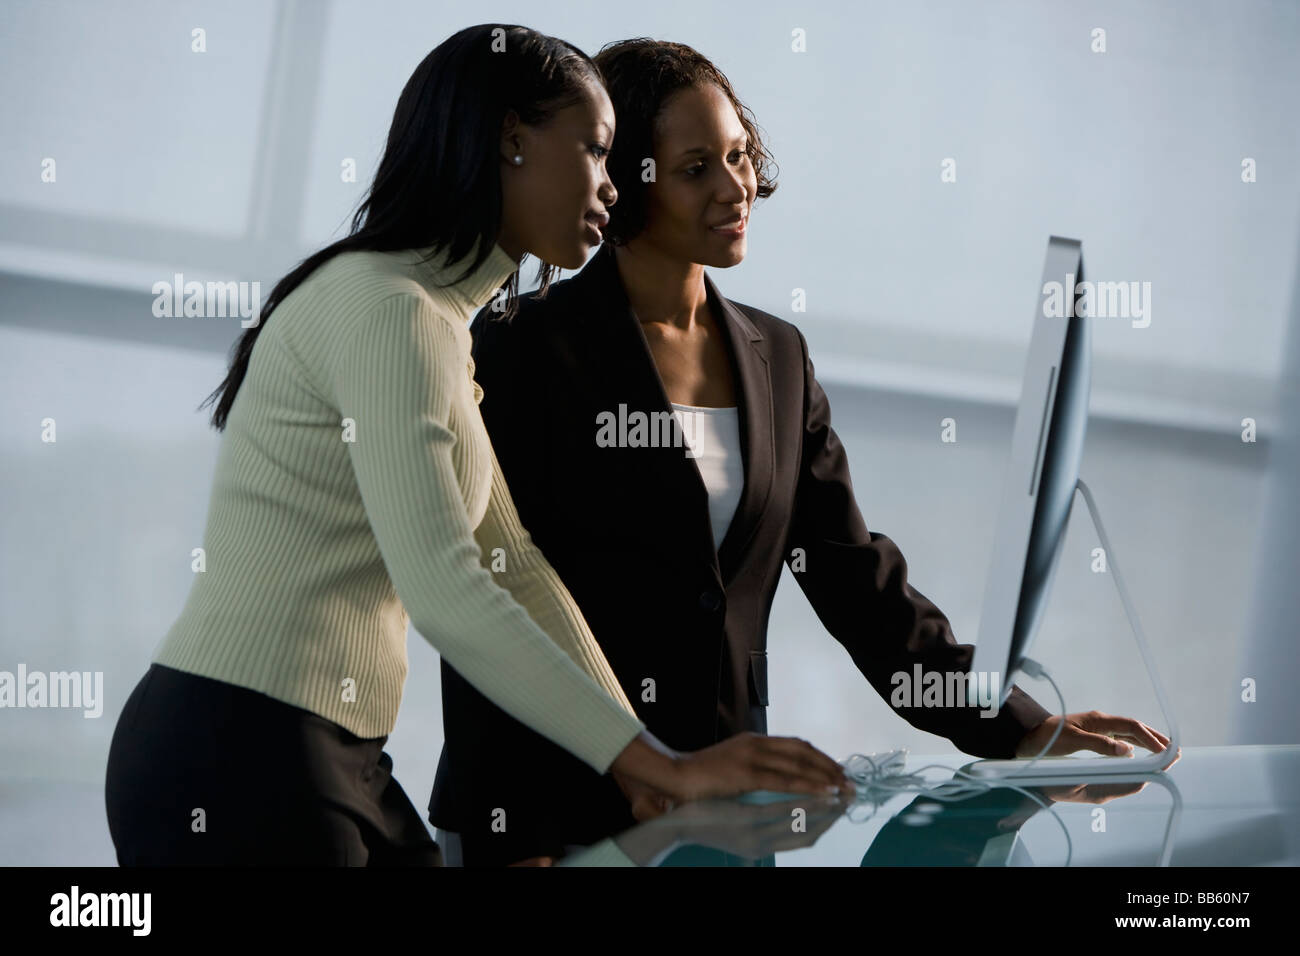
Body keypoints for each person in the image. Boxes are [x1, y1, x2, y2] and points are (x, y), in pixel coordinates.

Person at [103, 25, 851, 868]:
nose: (612, 187)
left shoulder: (438, 323)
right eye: (597, 151)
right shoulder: (393, 312)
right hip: (239, 751)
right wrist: (656, 764)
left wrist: (644, 766)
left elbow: (513, 565)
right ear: (512, 140)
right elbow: (447, 587)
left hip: (329, 752)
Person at [429, 37, 1173, 867]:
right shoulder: (524, 349)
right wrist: (515, 842)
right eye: (696, 168)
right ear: (627, 183)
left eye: (741, 155)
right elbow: (489, 603)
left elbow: (859, 584)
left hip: (729, 814)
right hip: (553, 815)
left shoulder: (776, 357)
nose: (735, 187)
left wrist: (1023, 726)